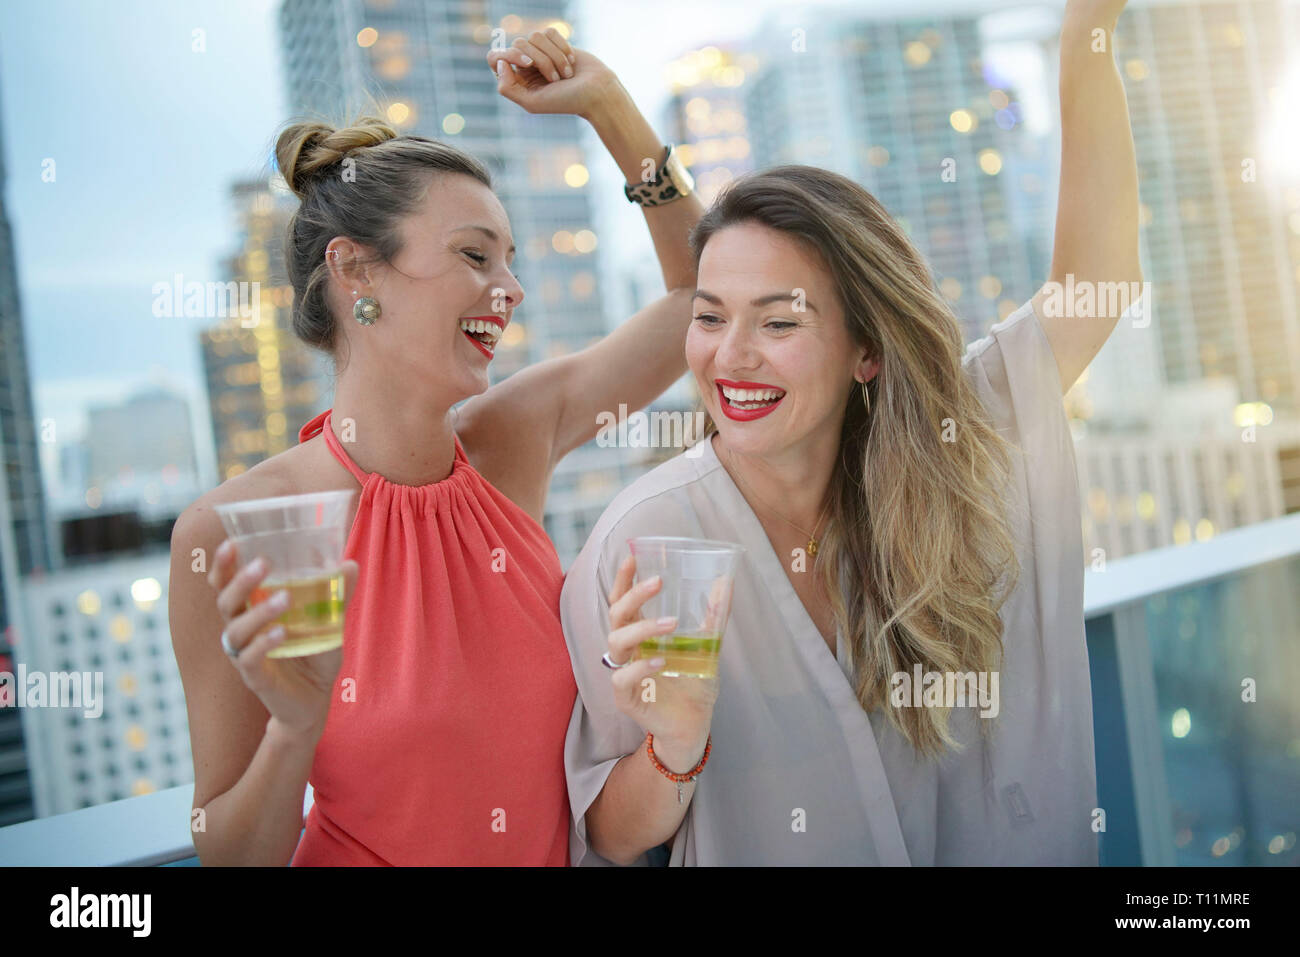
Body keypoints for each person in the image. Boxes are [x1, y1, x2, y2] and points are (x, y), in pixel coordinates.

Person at [560, 0, 1141, 865]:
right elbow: (607, 834)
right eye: (711, 316)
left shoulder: (947, 437)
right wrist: (670, 745)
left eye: (780, 323)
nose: (732, 357)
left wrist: (1086, 31)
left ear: (866, 349)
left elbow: (1097, 277)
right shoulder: (645, 540)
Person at [168, 28, 704, 865]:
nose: (512, 289)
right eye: (473, 256)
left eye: (511, 260)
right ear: (357, 274)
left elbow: (699, 297)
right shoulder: (234, 529)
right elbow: (228, 851)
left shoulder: (516, 438)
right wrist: (293, 732)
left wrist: (609, 107)